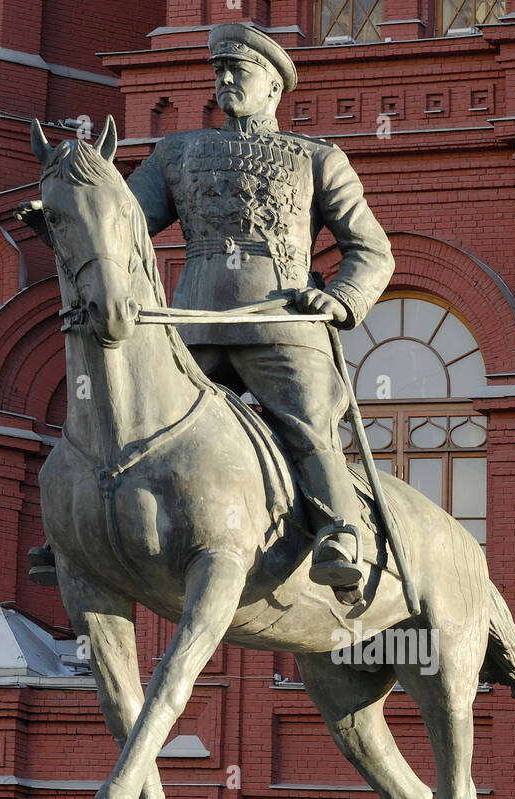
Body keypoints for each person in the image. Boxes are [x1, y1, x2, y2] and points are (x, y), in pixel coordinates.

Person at [125, 22, 395, 597]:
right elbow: (124, 223)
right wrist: (67, 212)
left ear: (273, 87)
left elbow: (371, 251)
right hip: (194, 325)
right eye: (218, 71)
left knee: (308, 422)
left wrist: (342, 298)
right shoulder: (178, 152)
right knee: (131, 414)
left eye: (237, 71)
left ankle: (340, 534)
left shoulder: (315, 158)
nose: (224, 80)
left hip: (280, 323)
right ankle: (88, 530)